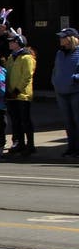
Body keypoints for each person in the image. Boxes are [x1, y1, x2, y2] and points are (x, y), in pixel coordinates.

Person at [5, 32, 36, 157]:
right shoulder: (11, 57)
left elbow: (27, 76)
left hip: (22, 95)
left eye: (12, 41)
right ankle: (19, 143)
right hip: (11, 94)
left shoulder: (27, 57)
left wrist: (17, 90)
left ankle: (30, 145)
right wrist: (8, 90)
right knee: (15, 121)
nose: (9, 43)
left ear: (18, 43)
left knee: (25, 121)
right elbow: (7, 74)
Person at [50, 27, 79, 159]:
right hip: (61, 92)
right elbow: (55, 69)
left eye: (63, 37)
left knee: (77, 120)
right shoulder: (59, 53)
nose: (60, 39)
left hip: (75, 91)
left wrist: (74, 78)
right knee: (67, 122)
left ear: (70, 38)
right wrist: (55, 81)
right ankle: (71, 147)